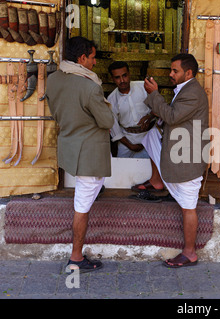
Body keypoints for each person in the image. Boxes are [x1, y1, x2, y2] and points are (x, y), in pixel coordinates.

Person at [46, 36, 115, 272]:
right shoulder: (89, 86)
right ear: (82, 58)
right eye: (93, 57)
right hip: (89, 155)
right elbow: (107, 121)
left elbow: (56, 113)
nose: (95, 63)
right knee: (82, 207)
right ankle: (75, 257)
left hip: (69, 149)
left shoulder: (53, 79)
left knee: (84, 199)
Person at [141, 53, 209, 268]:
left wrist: (154, 95)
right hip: (180, 153)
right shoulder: (185, 90)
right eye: (170, 70)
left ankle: (189, 252)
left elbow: (172, 117)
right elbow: (171, 117)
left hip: (187, 158)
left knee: (189, 206)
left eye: (175, 71)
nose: (170, 74)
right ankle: (157, 180)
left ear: (188, 73)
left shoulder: (193, 93)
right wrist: (154, 115)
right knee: (150, 136)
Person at [107, 61, 154, 158]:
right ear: (112, 79)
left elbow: (159, 108)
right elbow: (115, 129)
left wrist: (150, 116)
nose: (122, 80)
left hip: (149, 137)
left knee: (150, 170)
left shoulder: (143, 87)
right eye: (117, 77)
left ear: (129, 74)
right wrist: (131, 146)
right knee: (123, 171)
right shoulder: (111, 100)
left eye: (124, 75)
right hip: (126, 142)